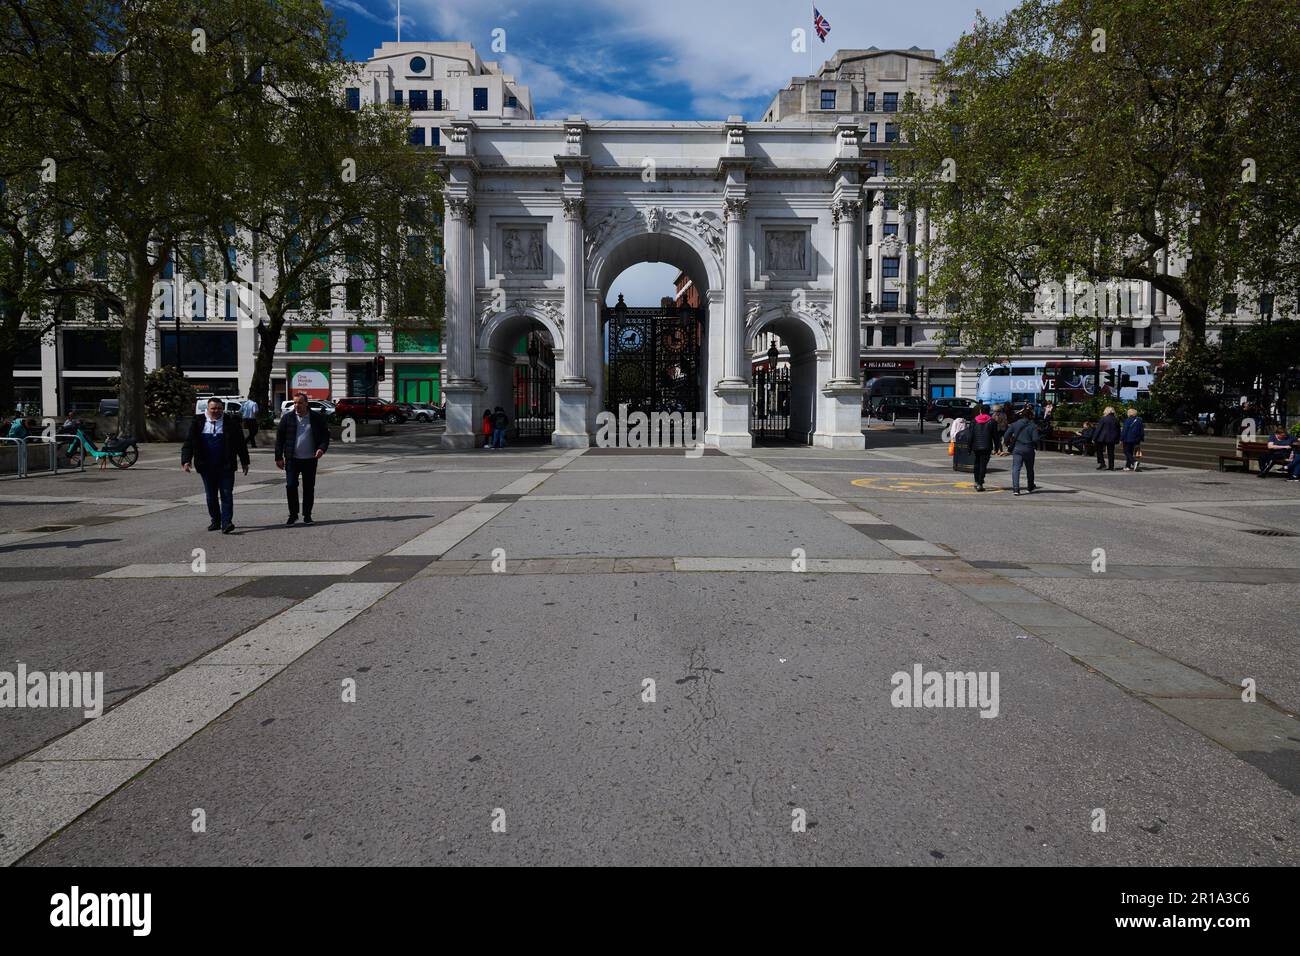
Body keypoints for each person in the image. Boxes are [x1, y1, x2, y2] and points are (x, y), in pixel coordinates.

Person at [181, 396, 249, 533]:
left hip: (226, 465)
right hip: (206, 466)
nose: (216, 411)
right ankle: (216, 520)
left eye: (219, 408)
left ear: (223, 409)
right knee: (211, 496)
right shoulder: (198, 422)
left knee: (226, 494)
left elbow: (240, 444)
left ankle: (226, 522)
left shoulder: (231, 423)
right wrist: (186, 460)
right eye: (213, 408)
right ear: (208, 408)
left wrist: (244, 461)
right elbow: (189, 443)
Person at [274, 392, 330, 525]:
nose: (297, 405)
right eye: (295, 403)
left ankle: (307, 515)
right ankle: (293, 514)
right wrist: (278, 457)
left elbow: (325, 436)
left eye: (299, 402)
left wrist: (321, 448)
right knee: (291, 486)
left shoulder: (316, 418)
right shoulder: (287, 418)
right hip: (292, 459)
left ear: (306, 403)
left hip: (310, 459)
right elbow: (280, 439)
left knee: (309, 488)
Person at [1003, 407, 1040, 496]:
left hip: (1017, 449)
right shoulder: (1033, 426)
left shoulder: (1015, 424)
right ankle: (1030, 487)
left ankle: (1016, 489)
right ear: (1030, 416)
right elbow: (1035, 439)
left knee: (1016, 468)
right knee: (1030, 469)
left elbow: (1006, 435)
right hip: (1029, 449)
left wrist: (1008, 444)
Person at [963, 404, 996, 492]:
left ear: (980, 411)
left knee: (977, 464)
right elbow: (995, 436)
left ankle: (976, 481)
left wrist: (969, 447)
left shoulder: (974, 421)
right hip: (987, 446)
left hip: (976, 446)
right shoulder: (992, 421)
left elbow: (970, 435)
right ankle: (980, 482)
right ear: (989, 412)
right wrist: (997, 448)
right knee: (983, 465)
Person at [1094, 406, 1120, 470]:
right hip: (1112, 438)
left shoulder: (1103, 418)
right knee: (1111, 452)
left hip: (1102, 438)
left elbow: (1098, 429)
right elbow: (1118, 430)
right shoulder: (1116, 419)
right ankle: (1111, 466)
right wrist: (1118, 439)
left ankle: (1102, 463)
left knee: (1099, 450)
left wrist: (1094, 438)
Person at [1120, 407, 1146, 471]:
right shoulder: (1139, 420)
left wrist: (1121, 438)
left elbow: (1124, 430)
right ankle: (1127, 466)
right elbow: (1142, 431)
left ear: (1129, 413)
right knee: (1130, 452)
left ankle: (1134, 462)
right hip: (1136, 439)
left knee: (1126, 451)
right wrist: (1140, 439)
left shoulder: (1127, 420)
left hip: (1127, 439)